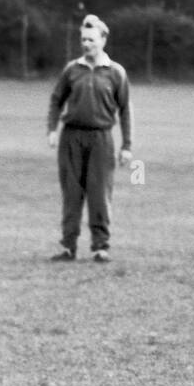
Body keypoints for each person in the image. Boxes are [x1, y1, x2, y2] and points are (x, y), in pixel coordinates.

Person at [47, 14, 133, 263]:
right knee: (71, 195)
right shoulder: (72, 70)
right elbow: (56, 99)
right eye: (83, 39)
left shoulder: (116, 73)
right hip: (71, 138)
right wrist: (52, 129)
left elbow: (126, 109)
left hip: (101, 139)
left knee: (99, 194)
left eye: (91, 40)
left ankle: (100, 247)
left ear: (104, 40)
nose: (86, 44)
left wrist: (127, 145)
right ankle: (68, 246)